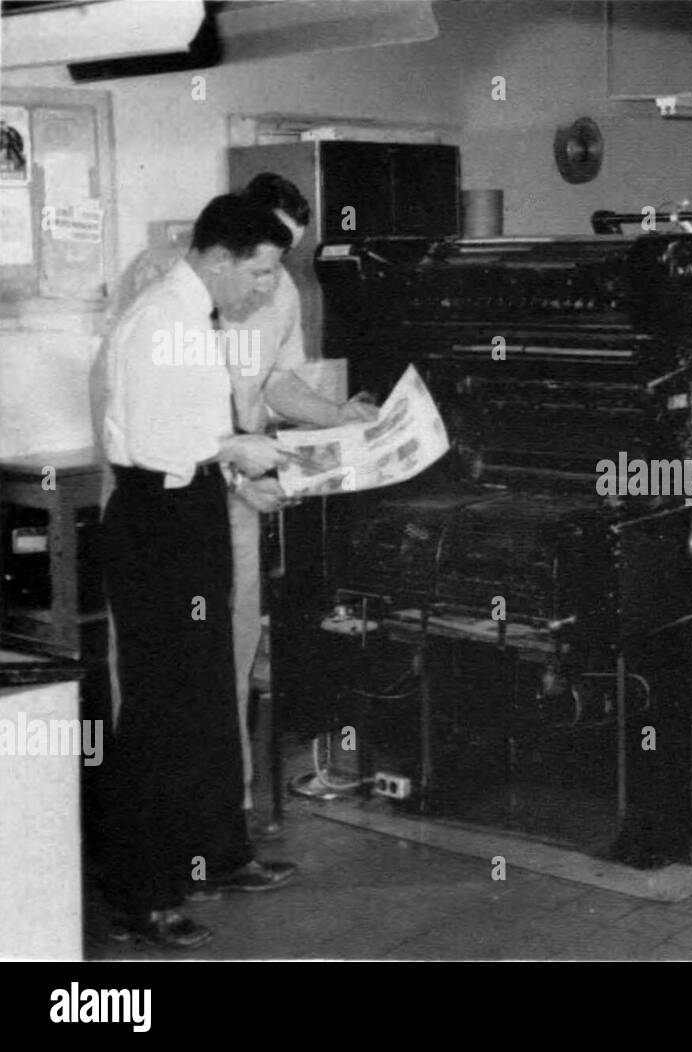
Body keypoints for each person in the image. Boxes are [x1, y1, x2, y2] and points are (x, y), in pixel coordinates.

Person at [99, 194, 298, 950]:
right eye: (262, 270)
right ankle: (140, 896)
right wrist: (242, 452)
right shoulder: (160, 323)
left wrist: (243, 479)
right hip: (158, 528)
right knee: (160, 713)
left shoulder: (196, 322)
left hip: (192, 516)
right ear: (218, 258)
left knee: (213, 694)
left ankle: (218, 853)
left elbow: (190, 436)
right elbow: (157, 446)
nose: (268, 287)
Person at [224, 174, 377, 829]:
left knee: (233, 652)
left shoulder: (280, 289)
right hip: (183, 489)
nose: (277, 268)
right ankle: (177, 827)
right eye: (269, 251)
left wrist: (336, 414)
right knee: (175, 668)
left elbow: (279, 383)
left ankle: (232, 811)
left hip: (240, 488)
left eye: (286, 253)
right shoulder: (187, 292)